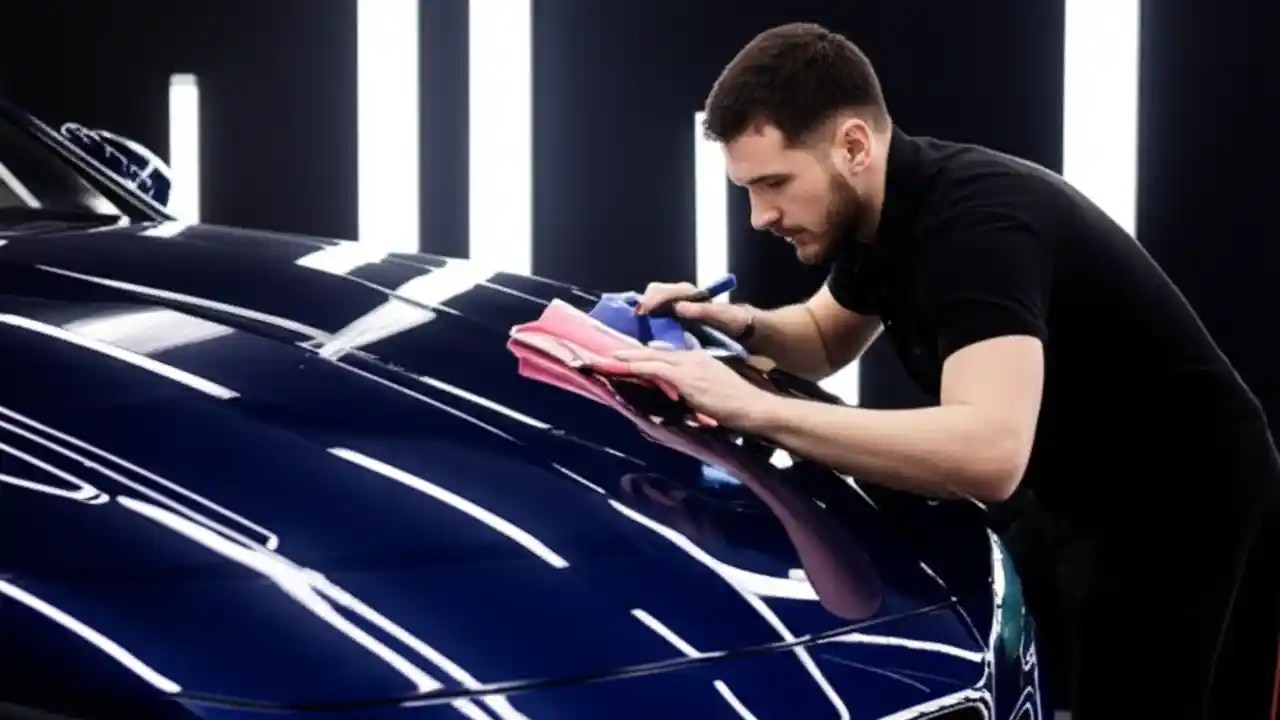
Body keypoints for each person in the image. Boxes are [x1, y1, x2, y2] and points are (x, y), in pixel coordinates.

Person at [612, 21, 1280, 719]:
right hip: (1069, 488)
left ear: (852, 146)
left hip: (1180, 502)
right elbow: (819, 337)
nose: (760, 216)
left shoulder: (978, 226)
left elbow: (988, 452)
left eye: (775, 183)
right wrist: (734, 323)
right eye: (748, 189)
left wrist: (753, 408)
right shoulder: (880, 215)